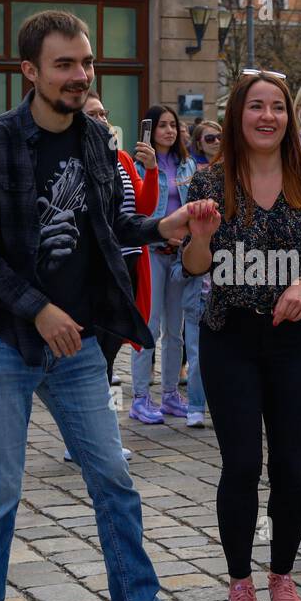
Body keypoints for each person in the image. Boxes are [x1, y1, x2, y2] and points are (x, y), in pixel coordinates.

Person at [0, 9, 204, 601]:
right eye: (64, 64)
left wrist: (161, 226)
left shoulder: (95, 137)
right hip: (2, 340)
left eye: (85, 63)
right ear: (29, 71)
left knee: (114, 479)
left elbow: (109, 224)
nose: (79, 75)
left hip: (80, 345)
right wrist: (36, 308)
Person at [181, 71, 301, 601]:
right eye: (257, 106)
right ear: (238, 116)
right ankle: (240, 584)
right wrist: (201, 237)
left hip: (294, 341)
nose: (268, 116)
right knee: (243, 462)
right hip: (229, 336)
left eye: (277, 107)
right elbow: (194, 266)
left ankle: (281, 573)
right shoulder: (209, 181)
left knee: (291, 467)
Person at [130, 104, 203, 425]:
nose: (169, 131)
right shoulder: (141, 165)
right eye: (161, 126)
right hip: (153, 251)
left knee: (176, 330)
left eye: (173, 125)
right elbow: (140, 211)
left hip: (181, 255)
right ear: (150, 130)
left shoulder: (186, 165)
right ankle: (140, 398)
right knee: (149, 326)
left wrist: (186, 240)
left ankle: (171, 394)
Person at [85, 89, 157, 402]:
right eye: (93, 115)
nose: (102, 119)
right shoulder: (79, 157)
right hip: (95, 267)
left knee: (111, 352)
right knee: (93, 354)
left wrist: (152, 169)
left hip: (128, 263)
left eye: (104, 113)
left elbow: (144, 206)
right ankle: (89, 436)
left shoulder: (122, 157)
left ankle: (107, 432)